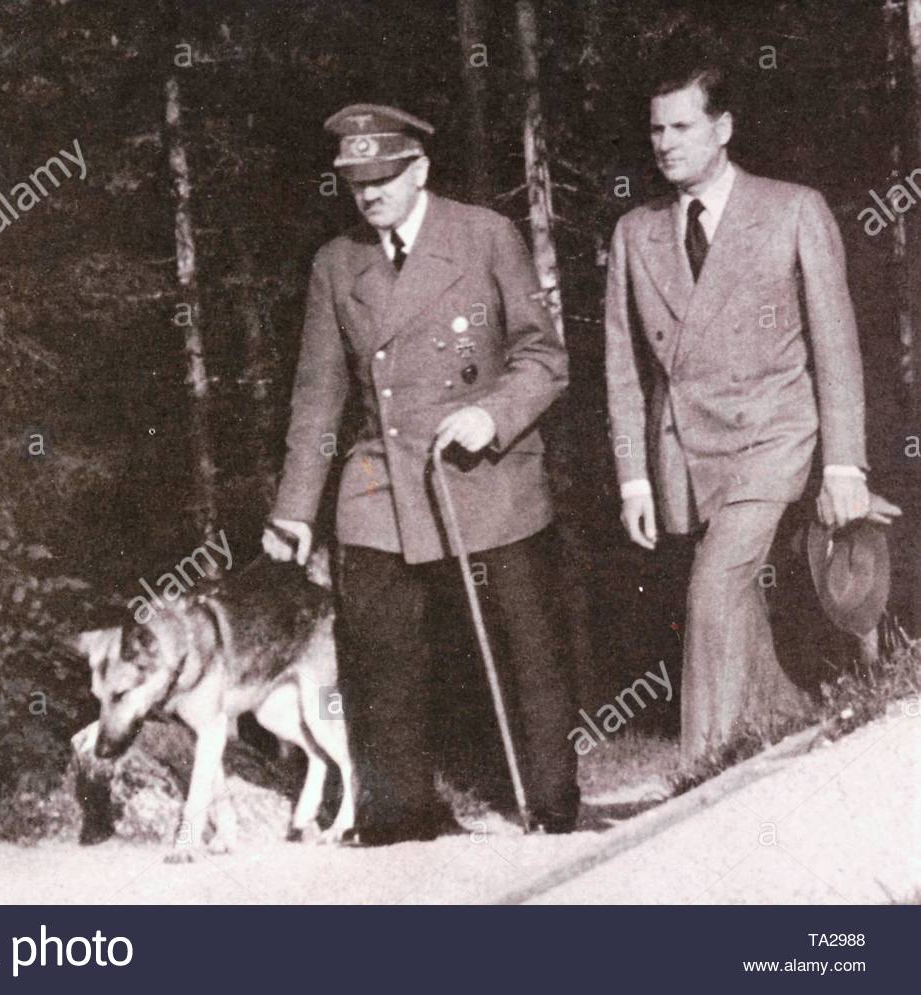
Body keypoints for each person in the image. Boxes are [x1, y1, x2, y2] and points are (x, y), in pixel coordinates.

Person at [262, 103, 578, 843]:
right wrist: (295, 507)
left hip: (485, 468)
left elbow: (545, 358)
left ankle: (553, 805)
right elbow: (318, 396)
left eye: (382, 177)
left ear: (420, 171)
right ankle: (399, 812)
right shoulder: (337, 262)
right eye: (354, 180)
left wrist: (492, 414)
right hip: (383, 475)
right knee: (378, 646)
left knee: (523, 640)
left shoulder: (484, 236)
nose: (368, 194)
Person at [603, 60, 873, 761]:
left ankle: (704, 769)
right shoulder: (636, 232)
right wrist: (634, 477)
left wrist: (845, 464)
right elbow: (624, 367)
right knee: (740, 607)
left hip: (775, 435)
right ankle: (787, 737)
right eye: (656, 129)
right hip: (686, 457)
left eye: (683, 126)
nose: (665, 142)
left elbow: (836, 346)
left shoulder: (792, 209)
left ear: (723, 128)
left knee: (715, 585)